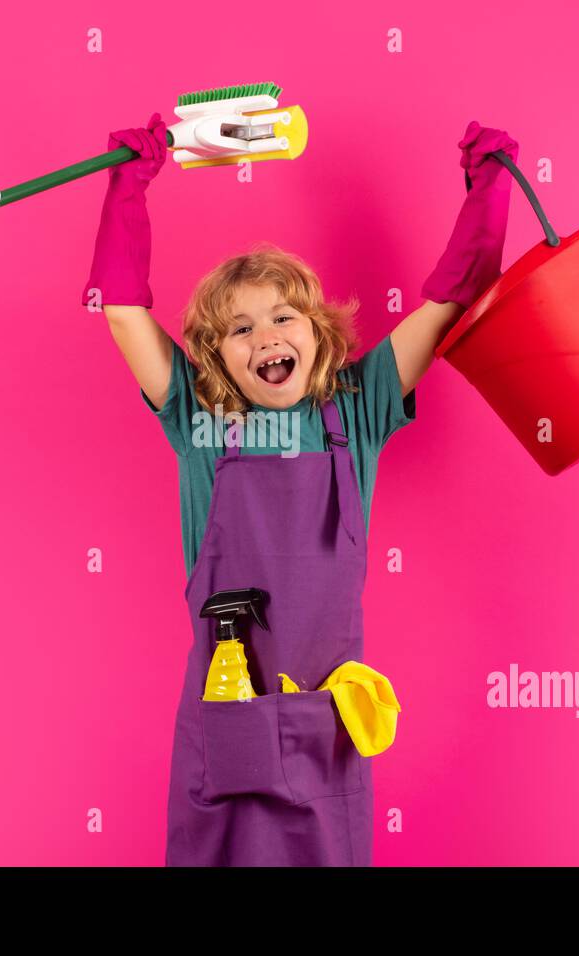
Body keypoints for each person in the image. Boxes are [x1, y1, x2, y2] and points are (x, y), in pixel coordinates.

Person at [81, 113, 517, 866]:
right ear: (215, 356)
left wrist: (490, 188)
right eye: (239, 330)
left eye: (284, 317)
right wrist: (131, 183)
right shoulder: (199, 417)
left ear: (319, 333)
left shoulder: (361, 406)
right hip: (227, 723)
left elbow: (452, 300)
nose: (266, 337)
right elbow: (122, 310)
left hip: (327, 731)